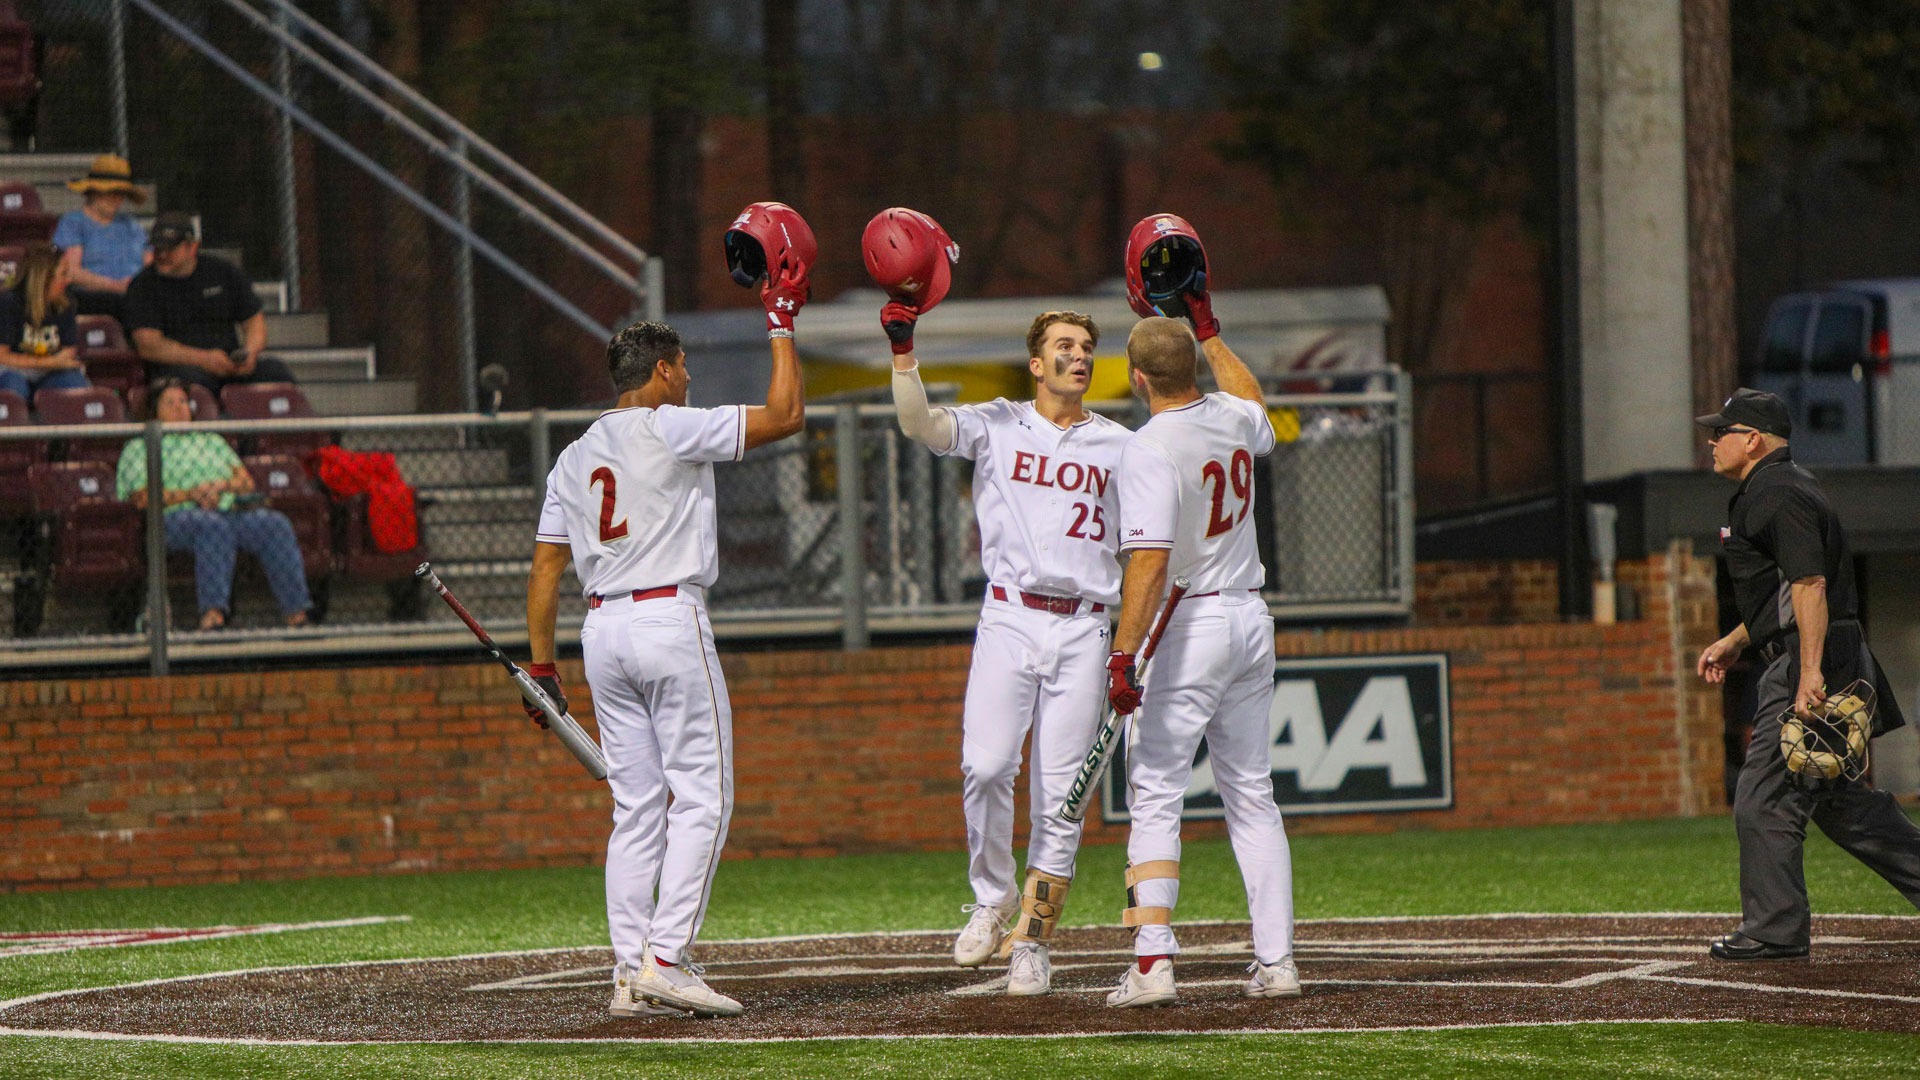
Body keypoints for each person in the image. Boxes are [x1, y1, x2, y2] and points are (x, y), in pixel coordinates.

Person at [524, 284, 808, 1015]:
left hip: (601, 633)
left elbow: (546, 570)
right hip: (667, 620)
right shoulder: (671, 426)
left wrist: (543, 669)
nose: (687, 378)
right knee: (704, 799)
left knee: (637, 807)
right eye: (680, 367)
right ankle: (666, 958)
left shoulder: (573, 456)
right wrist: (780, 325)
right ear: (658, 373)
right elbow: (787, 416)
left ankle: (626, 974)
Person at [887, 303, 1129, 996]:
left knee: (1061, 797)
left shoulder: (1118, 443)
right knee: (986, 765)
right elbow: (919, 423)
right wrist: (904, 349)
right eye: (1063, 345)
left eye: (1085, 346)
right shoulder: (998, 421)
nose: (1077, 355)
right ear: (1035, 362)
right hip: (1010, 615)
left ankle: (1033, 939)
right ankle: (991, 898)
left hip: (1085, 625)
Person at [1105, 308, 1298, 1007]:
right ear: (1190, 364)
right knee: (1252, 796)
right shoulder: (1231, 417)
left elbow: (1149, 561)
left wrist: (1121, 657)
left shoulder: (1148, 445)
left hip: (1191, 624)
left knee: (1155, 787)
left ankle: (1153, 963)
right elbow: (1256, 406)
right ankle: (1276, 962)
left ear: (1136, 377)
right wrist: (1211, 327)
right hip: (1250, 614)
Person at [1693, 388, 1920, 960]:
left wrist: (1809, 673)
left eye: (1721, 431)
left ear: (1753, 440)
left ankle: (1773, 929)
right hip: (1816, 650)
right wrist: (1736, 638)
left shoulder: (1777, 492)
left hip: (1810, 659)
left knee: (1763, 797)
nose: (1711, 441)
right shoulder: (1780, 487)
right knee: (1843, 805)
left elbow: (1811, 585)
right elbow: (1787, 593)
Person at [114, 377, 313, 631]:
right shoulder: (139, 446)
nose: (179, 408)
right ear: (154, 411)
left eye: (184, 402)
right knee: (212, 526)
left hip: (224, 510)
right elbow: (142, 498)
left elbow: (245, 481)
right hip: (171, 519)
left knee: (274, 524)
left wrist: (219, 487)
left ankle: (297, 615)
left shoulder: (210, 440)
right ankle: (213, 616)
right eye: (170, 403)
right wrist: (192, 495)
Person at [122, 211, 297, 394]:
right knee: (189, 387)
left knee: (276, 373)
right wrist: (203, 359)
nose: (163, 255)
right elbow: (149, 345)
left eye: (170, 249)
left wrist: (249, 353)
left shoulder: (223, 272)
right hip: (178, 368)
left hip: (229, 363)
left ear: (192, 248)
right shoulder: (143, 285)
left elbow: (254, 321)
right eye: (158, 249)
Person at [51, 153, 151, 320]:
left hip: (139, 298)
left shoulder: (131, 225)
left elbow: (150, 262)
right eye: (110, 192)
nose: (116, 199)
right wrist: (115, 286)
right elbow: (70, 271)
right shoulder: (73, 223)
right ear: (93, 191)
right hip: (93, 300)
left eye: (120, 193)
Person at [0, 241, 87, 402]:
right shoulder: (8, 302)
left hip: (50, 371)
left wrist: (52, 364)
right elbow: (2, 356)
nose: (68, 280)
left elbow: (69, 350)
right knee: (13, 388)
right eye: (63, 274)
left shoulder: (66, 303)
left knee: (74, 384)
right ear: (44, 279)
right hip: (12, 370)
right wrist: (49, 362)